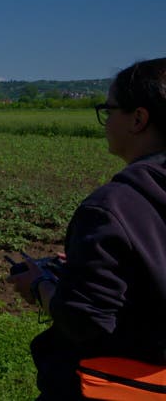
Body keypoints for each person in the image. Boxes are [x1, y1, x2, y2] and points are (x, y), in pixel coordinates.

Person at [10, 57, 166, 400]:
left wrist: (40, 286)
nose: (106, 120)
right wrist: (94, 269)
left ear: (138, 119)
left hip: (120, 386)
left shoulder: (113, 207)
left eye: (109, 110)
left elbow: (85, 320)